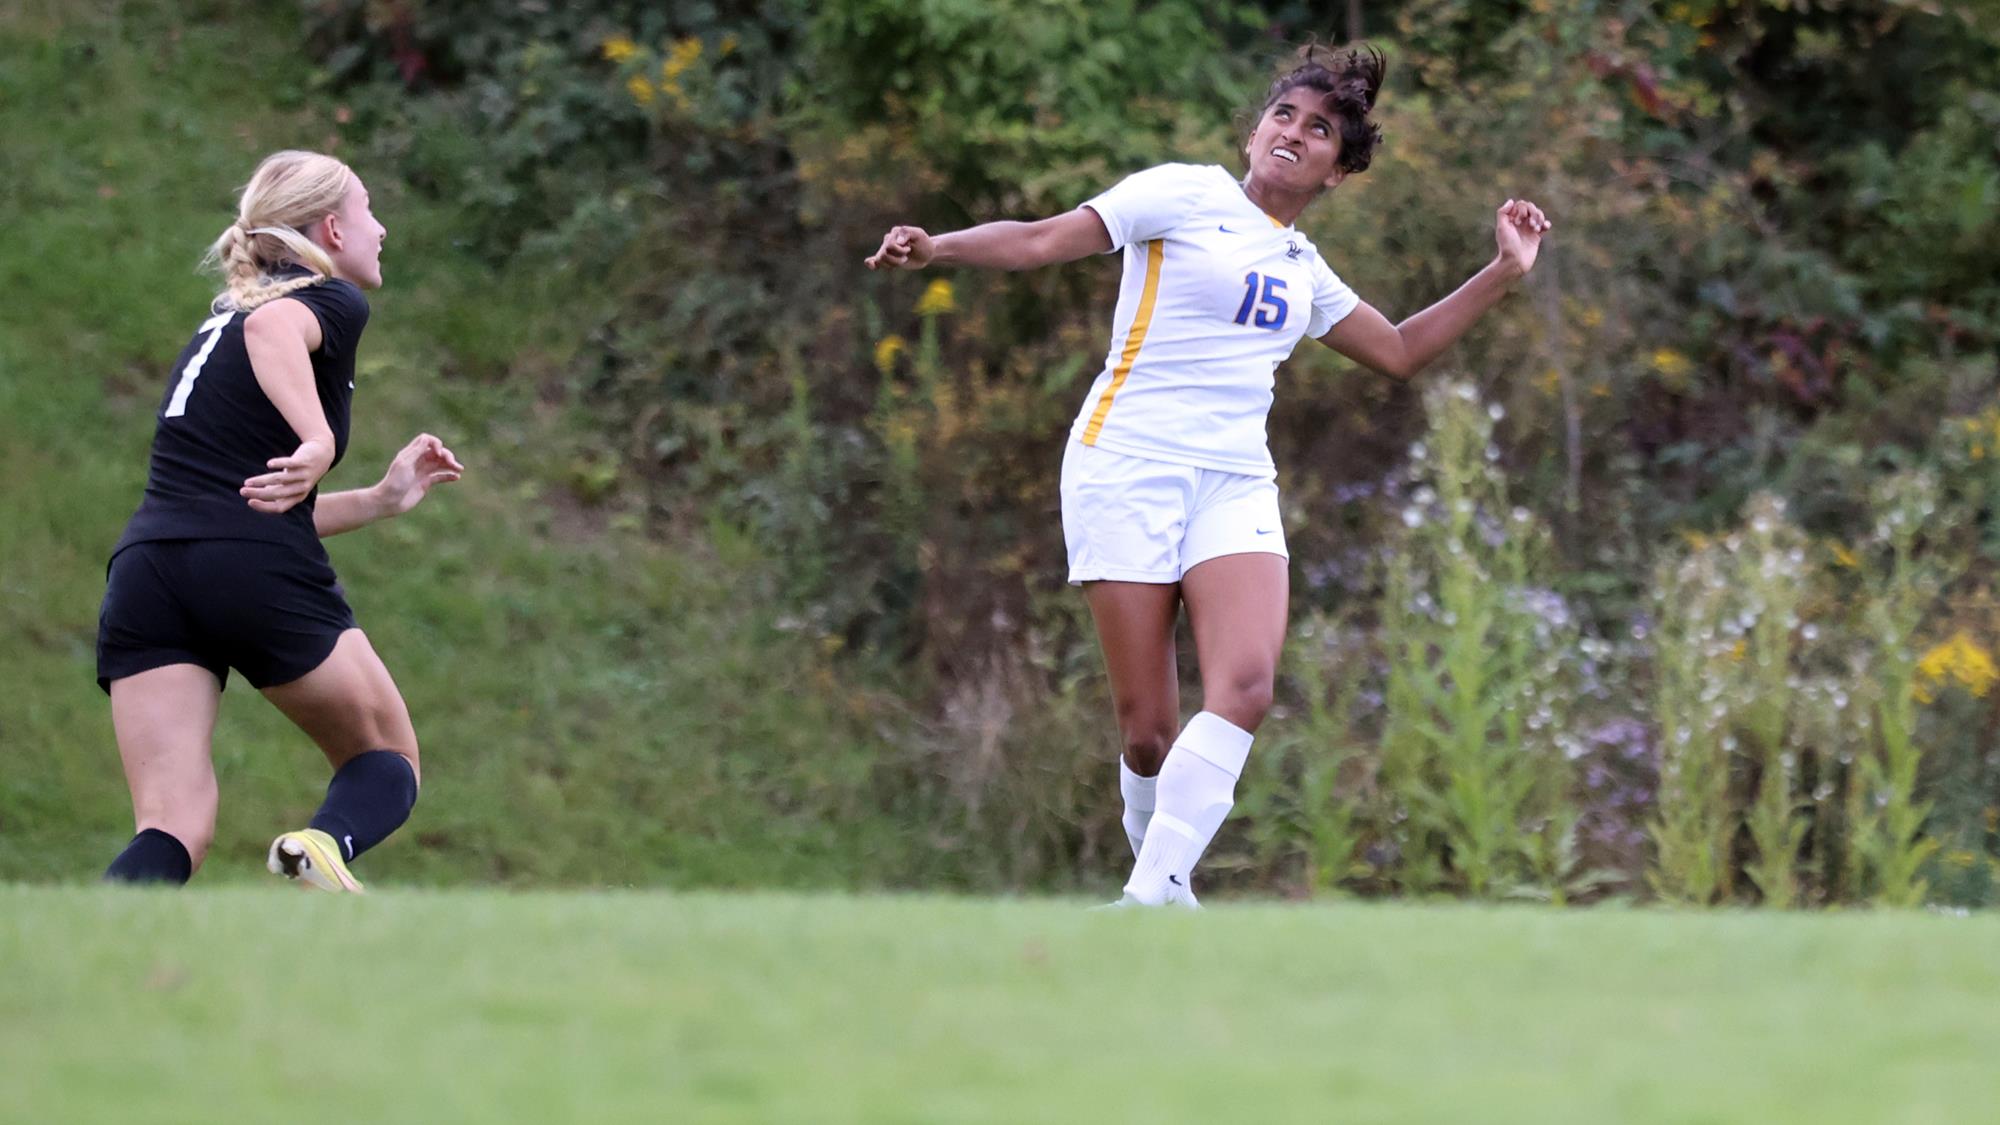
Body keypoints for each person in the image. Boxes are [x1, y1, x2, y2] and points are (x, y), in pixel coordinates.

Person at [865, 45, 1550, 906]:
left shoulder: (1303, 266)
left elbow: (1401, 350)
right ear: (1255, 131)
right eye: (1284, 115)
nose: (1294, 132)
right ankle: (1156, 887)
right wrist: (937, 248)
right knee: (1149, 735)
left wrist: (1504, 271)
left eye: (1321, 130)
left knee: (1247, 685)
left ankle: (1151, 894)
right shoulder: (1184, 193)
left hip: (1234, 480)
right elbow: (1041, 239)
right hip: (1126, 463)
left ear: (1339, 171)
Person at [97, 149, 464, 892]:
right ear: (332, 229)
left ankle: (99, 930)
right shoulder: (326, 302)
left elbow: (247, 505)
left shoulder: (218, 322)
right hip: (245, 567)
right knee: (387, 755)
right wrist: (319, 439)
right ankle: (318, 848)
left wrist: (379, 499)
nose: (381, 229)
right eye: (368, 211)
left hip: (147, 571)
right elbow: (275, 334)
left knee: (173, 823)